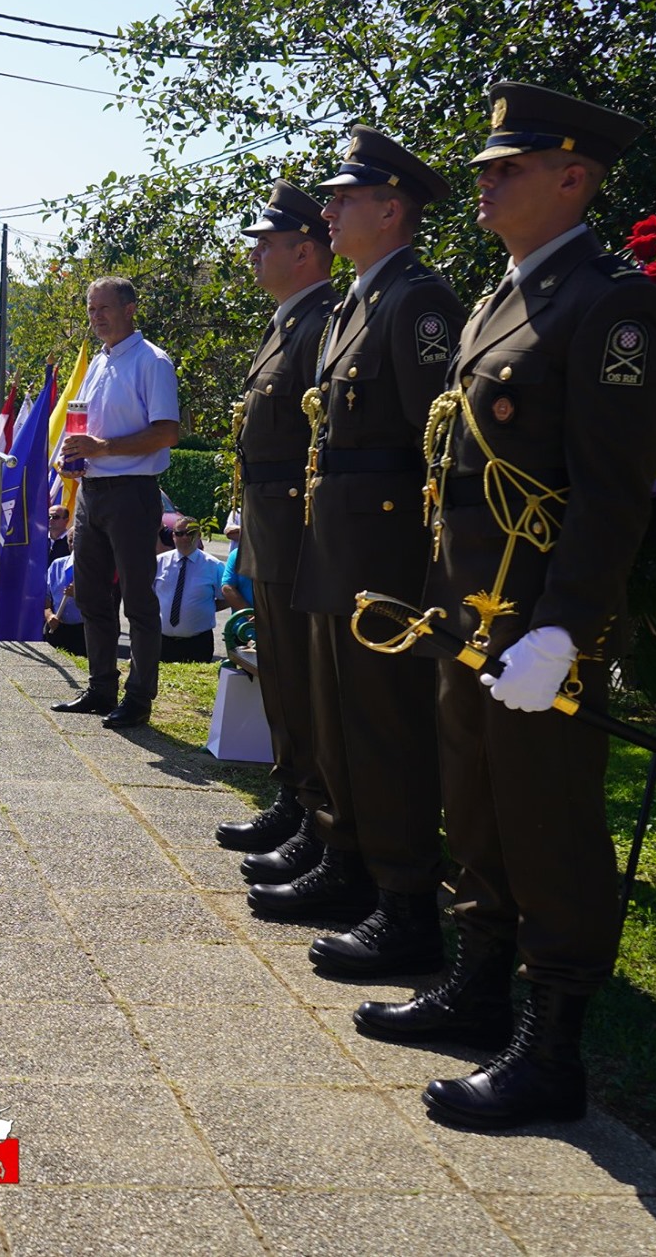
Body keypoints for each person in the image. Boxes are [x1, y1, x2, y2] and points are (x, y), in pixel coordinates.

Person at [357, 86, 656, 1131]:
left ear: (572, 177)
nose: (485, 181)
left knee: (548, 822)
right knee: (478, 806)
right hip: (467, 608)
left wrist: (563, 626)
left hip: (537, 624)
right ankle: (476, 985)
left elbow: (609, 487)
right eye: (486, 166)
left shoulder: (606, 301)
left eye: (510, 166)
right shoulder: (501, 296)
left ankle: (551, 1051)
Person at [249, 129, 462, 963]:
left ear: (393, 208)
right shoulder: (360, 304)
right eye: (329, 198)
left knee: (384, 728)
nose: (327, 209)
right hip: (337, 539)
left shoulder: (418, 302)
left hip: (384, 551)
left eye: (344, 198)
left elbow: (434, 444)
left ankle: (404, 901)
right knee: (340, 721)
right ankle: (347, 860)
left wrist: (428, 562)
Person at [217, 181, 342, 864]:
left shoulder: (323, 320)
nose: (255, 254)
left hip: (300, 527)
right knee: (283, 672)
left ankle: (314, 812)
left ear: (305, 251)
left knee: (304, 674)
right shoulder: (290, 320)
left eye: (267, 244)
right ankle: (293, 797)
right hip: (271, 522)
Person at [51, 276, 181, 729]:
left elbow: (167, 432)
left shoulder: (153, 362)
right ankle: (101, 686)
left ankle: (139, 698)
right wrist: (68, 458)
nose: (97, 317)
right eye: (90, 310)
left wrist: (101, 449)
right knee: (89, 594)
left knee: (138, 600)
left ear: (130, 309)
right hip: (91, 492)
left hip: (132, 492)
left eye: (104, 308)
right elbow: (80, 424)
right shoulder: (98, 363)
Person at [154, 518, 228, 661]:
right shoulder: (159, 562)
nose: (185, 537)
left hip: (198, 644)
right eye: (180, 533)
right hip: (161, 641)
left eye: (190, 533)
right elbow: (147, 596)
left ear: (199, 535)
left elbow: (227, 597)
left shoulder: (214, 566)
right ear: (173, 536)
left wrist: (205, 607)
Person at [43, 552, 86, 656]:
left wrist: (79, 594)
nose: (74, 545)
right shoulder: (57, 565)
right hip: (56, 627)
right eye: (71, 541)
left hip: (83, 631)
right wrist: (49, 615)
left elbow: (103, 600)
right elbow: (45, 596)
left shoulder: (94, 567)